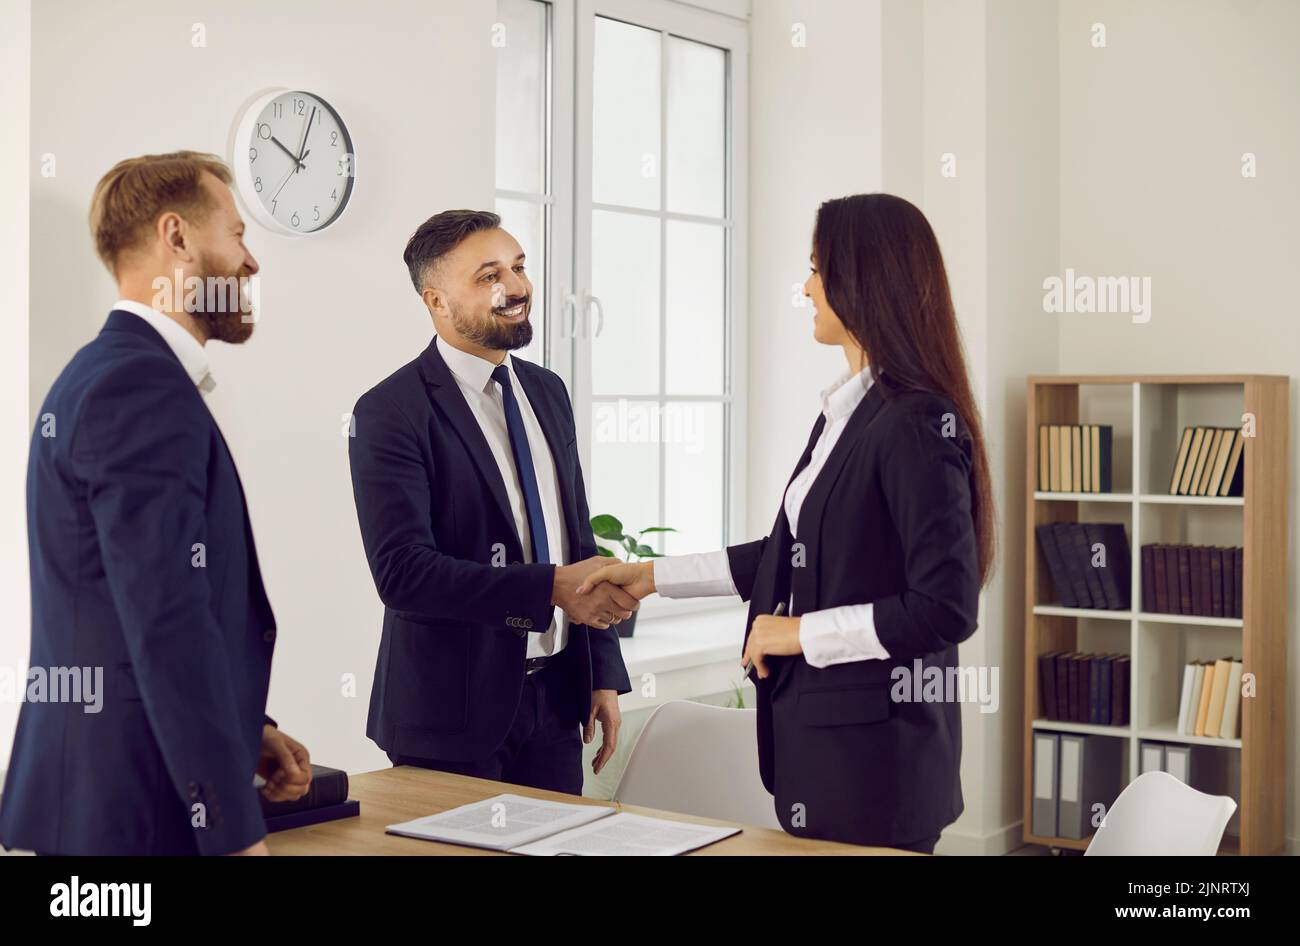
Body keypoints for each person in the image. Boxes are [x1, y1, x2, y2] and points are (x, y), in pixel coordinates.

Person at [578, 193, 995, 853]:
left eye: (817, 271)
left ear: (864, 280)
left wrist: (800, 632)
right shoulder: (851, 410)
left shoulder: (914, 421)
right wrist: (652, 577)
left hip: (876, 768)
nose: (805, 289)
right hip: (825, 755)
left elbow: (945, 608)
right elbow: (788, 552)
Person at [0, 152, 311, 857]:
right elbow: (166, 619)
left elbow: (124, 608)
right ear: (177, 238)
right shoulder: (138, 384)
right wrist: (229, 825)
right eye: (236, 235)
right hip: (129, 817)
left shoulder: (116, 373)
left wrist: (245, 732)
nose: (250, 262)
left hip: (115, 804)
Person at [348, 210, 633, 795]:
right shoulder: (389, 411)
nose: (516, 287)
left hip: (555, 705)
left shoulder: (548, 391)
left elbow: (576, 534)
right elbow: (403, 574)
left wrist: (601, 671)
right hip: (448, 716)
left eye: (519, 266)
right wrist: (549, 587)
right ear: (436, 300)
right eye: (488, 276)